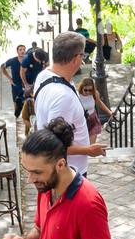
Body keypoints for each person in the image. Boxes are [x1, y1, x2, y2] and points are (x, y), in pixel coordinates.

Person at [32, 31, 107, 176]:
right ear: (77, 58)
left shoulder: (44, 75)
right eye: (83, 55)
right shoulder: (63, 97)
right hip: (68, 173)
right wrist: (89, 150)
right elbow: (55, 144)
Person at [0, 44, 31, 119]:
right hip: (16, 85)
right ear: (17, 51)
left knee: (27, 102)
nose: (22, 51)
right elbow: (2, 67)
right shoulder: (13, 60)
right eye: (20, 50)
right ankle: (16, 118)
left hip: (26, 85)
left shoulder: (28, 60)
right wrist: (10, 78)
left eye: (24, 49)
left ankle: (25, 118)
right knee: (16, 102)